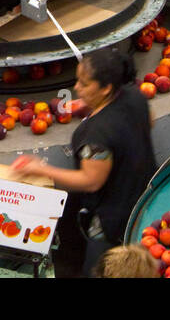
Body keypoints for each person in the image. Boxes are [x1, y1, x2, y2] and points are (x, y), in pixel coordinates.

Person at [12, 49, 156, 277]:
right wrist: (94, 107)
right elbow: (148, 122)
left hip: (114, 215)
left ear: (106, 88)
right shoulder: (133, 95)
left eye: (85, 84)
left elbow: (91, 181)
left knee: (98, 268)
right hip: (146, 194)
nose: (77, 88)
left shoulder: (96, 135)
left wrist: (39, 168)